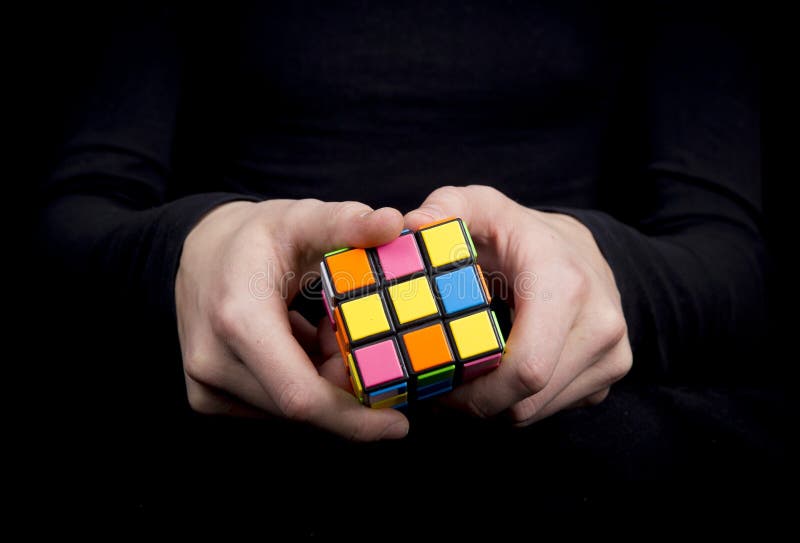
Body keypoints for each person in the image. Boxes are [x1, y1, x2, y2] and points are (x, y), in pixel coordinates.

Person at [39, 2, 764, 448]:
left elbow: (731, 248)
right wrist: (191, 248)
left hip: (580, 430)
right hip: (232, 401)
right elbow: (70, 217)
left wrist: (600, 264)